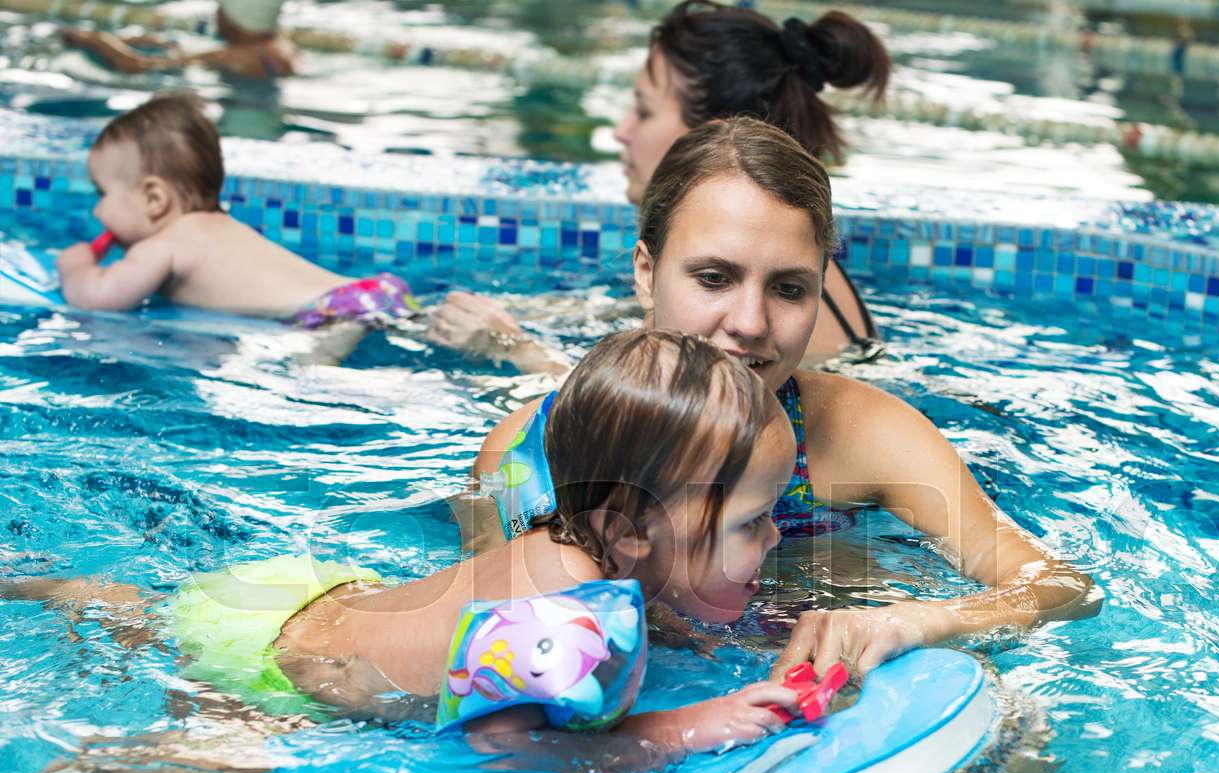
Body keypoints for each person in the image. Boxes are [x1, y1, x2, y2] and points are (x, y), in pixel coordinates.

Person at [4, 329, 804, 773]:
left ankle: (63, 588)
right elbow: (505, 749)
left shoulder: (571, 540)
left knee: (133, 611)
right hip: (272, 668)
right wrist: (686, 727)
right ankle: (82, 772)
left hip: (304, 594)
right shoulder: (568, 622)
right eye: (752, 522)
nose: (773, 538)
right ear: (631, 534)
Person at [471, 118, 1102, 684]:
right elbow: (491, 643)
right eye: (713, 278)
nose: (749, 322)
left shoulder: (862, 434)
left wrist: (914, 622)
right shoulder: (531, 455)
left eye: (789, 289)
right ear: (645, 272)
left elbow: (1061, 585)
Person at [427, 0, 891, 367]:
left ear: (714, 139)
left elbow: (676, 425)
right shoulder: (777, 279)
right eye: (713, 279)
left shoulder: (786, 333)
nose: (622, 131)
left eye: (646, 112)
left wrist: (520, 351)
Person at [54, 95, 417, 348]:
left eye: (101, 193)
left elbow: (97, 299)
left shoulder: (164, 245)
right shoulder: (221, 228)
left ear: (154, 198)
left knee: (308, 381)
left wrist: (76, 267)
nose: (97, 212)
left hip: (329, 317)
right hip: (372, 292)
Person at [60, 0, 298, 80]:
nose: (217, 15)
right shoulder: (281, 47)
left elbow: (136, 66)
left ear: (238, 18)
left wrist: (96, 40)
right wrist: (165, 45)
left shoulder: (232, 56)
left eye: (221, 9)